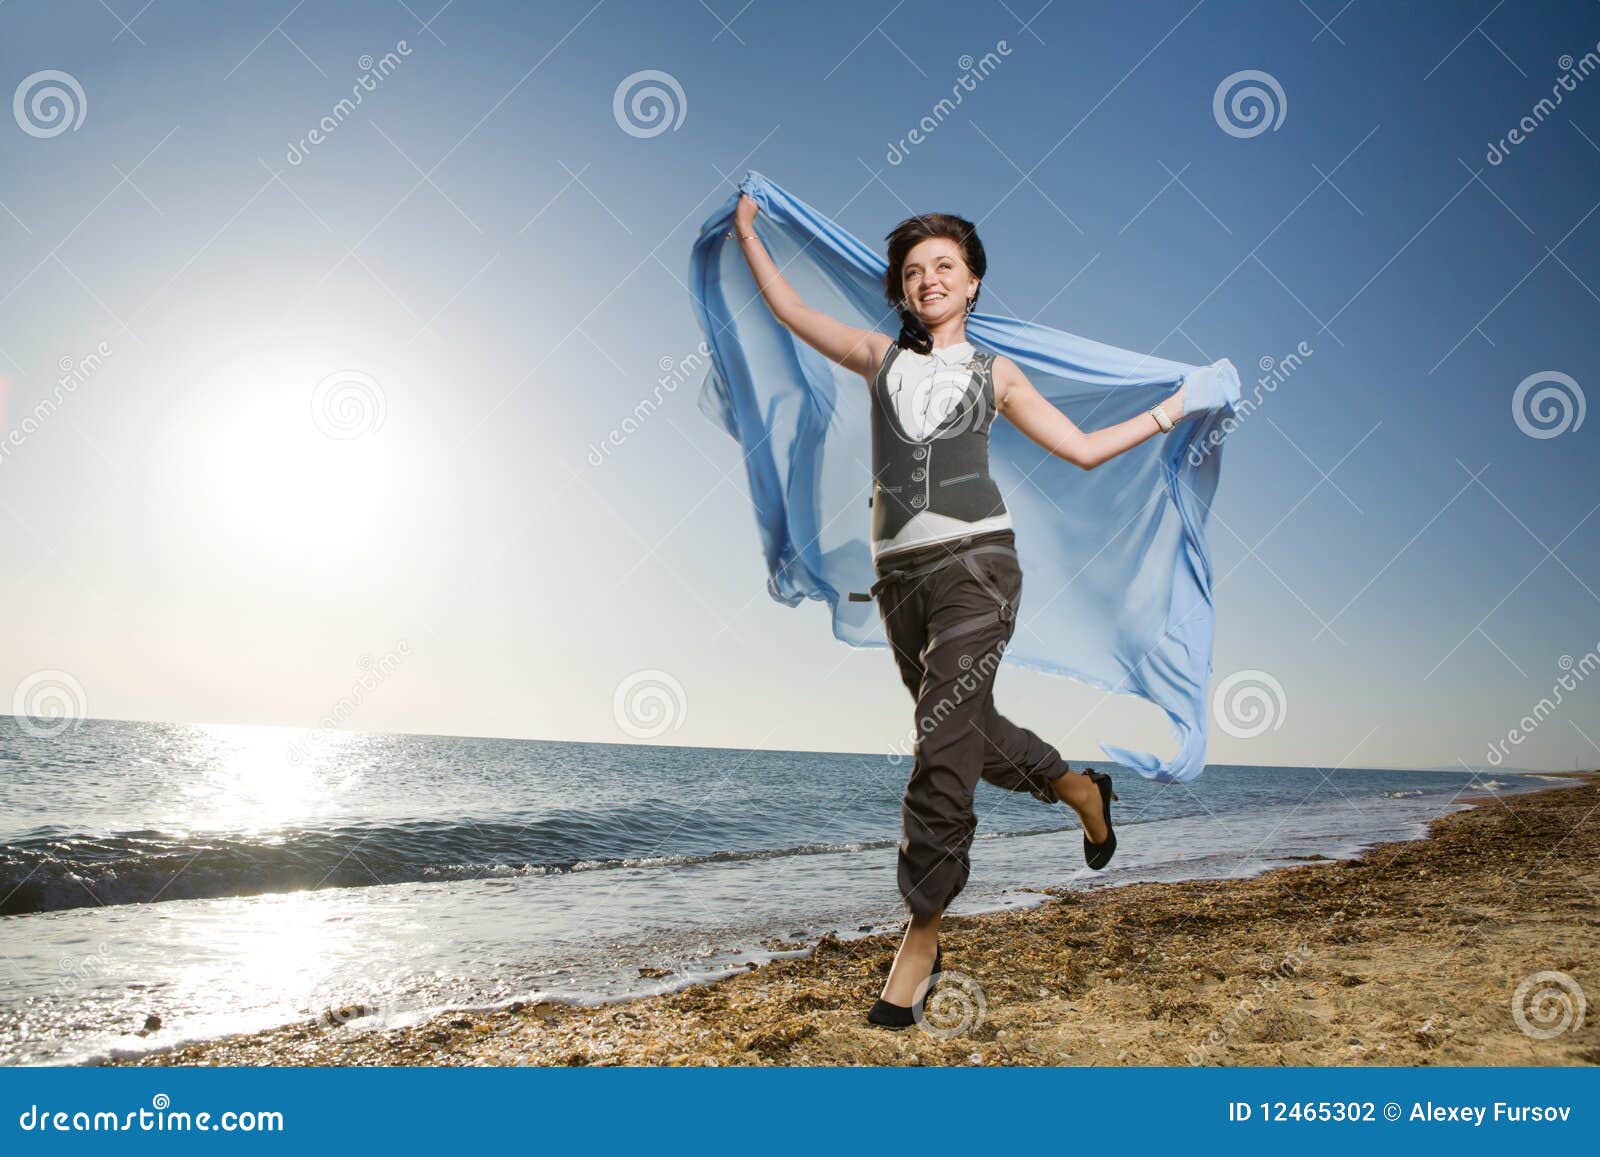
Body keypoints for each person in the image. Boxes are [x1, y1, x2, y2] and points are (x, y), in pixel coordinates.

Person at [729, 192, 1185, 1029]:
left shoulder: (996, 373)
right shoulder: (878, 357)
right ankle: (1080, 788)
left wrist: (1167, 413)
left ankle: (922, 934)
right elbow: (789, 309)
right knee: (965, 733)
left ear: (973, 282)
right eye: (913, 272)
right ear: (902, 294)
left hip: (979, 568)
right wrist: (751, 234)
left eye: (945, 266)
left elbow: (1081, 451)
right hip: (900, 579)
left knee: (939, 741)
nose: (929, 279)